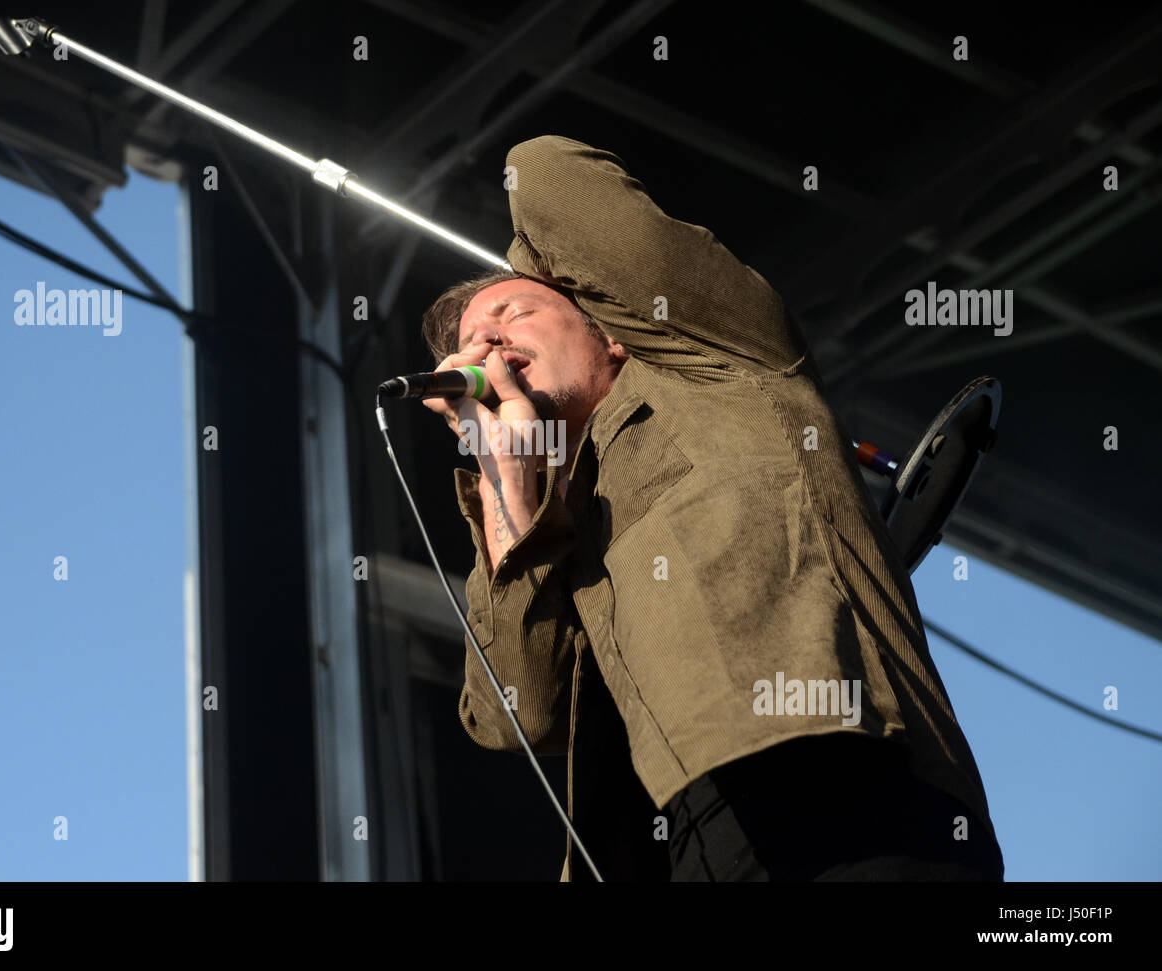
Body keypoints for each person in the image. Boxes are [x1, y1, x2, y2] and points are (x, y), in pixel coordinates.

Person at [420, 134, 1004, 882]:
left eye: (513, 310)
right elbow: (517, 713)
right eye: (471, 341)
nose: (486, 341)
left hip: (838, 777)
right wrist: (508, 484)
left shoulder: (712, 355)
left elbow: (542, 172)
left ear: (611, 330)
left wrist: (526, 275)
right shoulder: (556, 514)